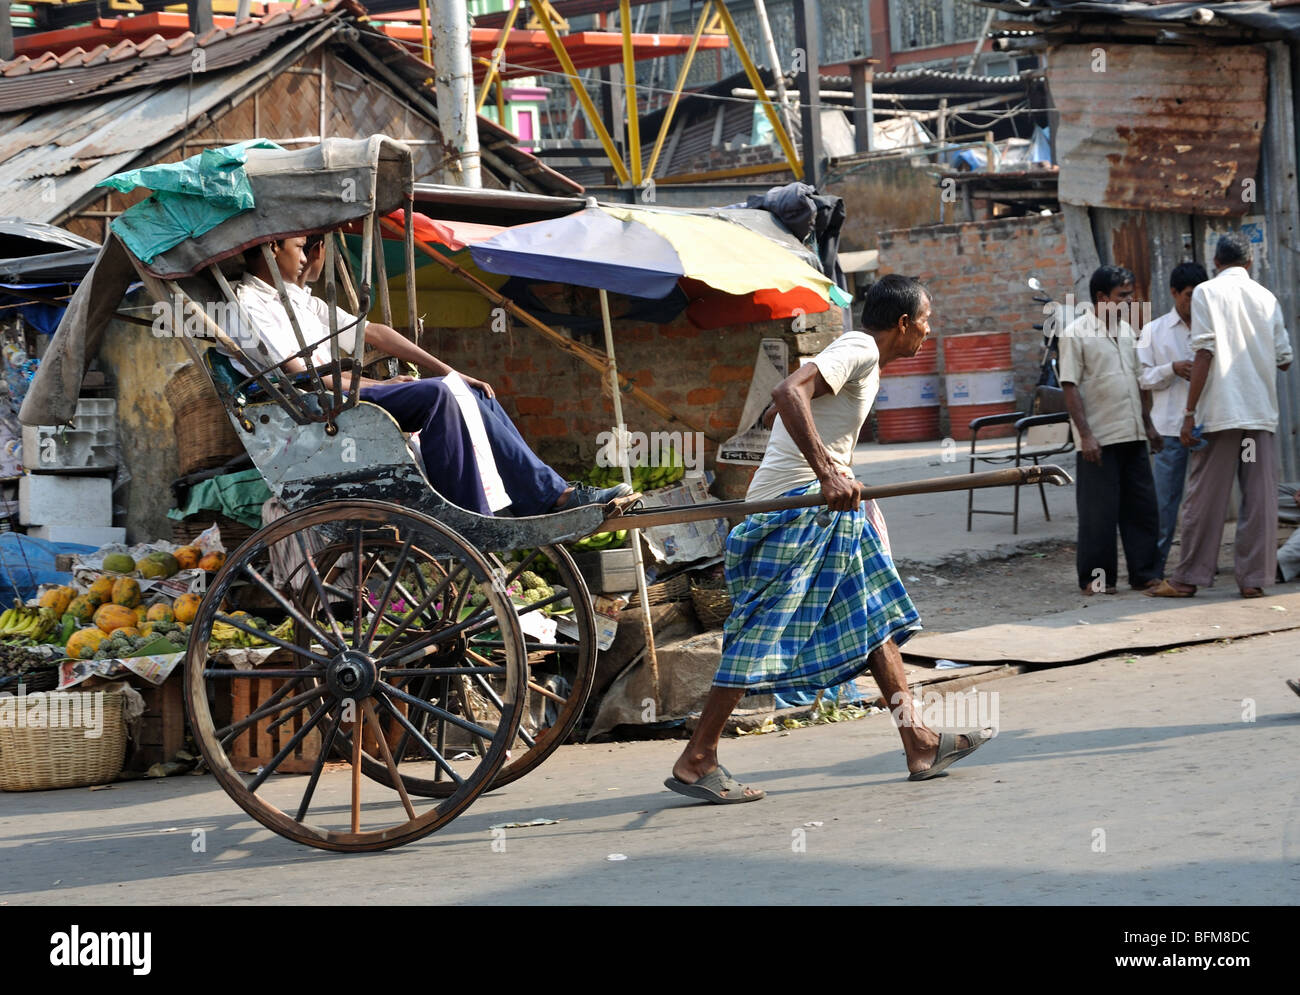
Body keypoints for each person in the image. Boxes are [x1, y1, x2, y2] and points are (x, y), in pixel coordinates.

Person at [663, 275, 993, 804]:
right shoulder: (860, 346)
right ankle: (698, 756)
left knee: (873, 619)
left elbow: (781, 412)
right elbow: (785, 393)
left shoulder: (861, 359)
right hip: (798, 510)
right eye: (926, 321)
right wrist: (827, 472)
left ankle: (919, 741)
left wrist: (829, 464)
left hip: (825, 511)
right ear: (903, 322)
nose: (928, 334)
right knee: (759, 631)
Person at [232, 235, 630, 516]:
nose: (305, 259)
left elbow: (373, 332)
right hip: (308, 408)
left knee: (458, 389)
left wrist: (450, 370)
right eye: (300, 248)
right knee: (438, 397)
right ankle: (465, 511)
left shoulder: (297, 298)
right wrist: (380, 385)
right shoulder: (249, 304)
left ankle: (551, 494)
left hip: (334, 393)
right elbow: (300, 375)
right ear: (272, 246)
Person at [1148, 234, 1295, 598]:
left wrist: (1188, 412)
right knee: (1260, 499)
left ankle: (1186, 579)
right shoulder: (1266, 297)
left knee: (1204, 498)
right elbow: (1285, 359)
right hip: (1258, 413)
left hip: (1221, 412)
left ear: (1216, 263)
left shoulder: (1206, 293)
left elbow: (1204, 353)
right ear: (1248, 264)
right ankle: (1254, 581)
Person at [1059, 264, 1163, 594]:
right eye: (1123, 295)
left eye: (1131, 295)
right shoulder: (1075, 334)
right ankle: (1096, 579)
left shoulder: (1129, 332)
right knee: (1098, 515)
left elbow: (1138, 382)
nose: (1130, 301)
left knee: (1142, 508)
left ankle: (1144, 573)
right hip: (1098, 439)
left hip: (1133, 434)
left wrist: (1149, 425)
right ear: (1102, 297)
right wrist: (1086, 435)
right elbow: (1070, 386)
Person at [1137, 262, 1209, 577]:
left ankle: (1199, 566)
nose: (1193, 303)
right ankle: (1156, 569)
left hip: (1208, 426)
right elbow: (1141, 378)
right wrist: (1171, 369)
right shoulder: (1154, 331)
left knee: (1204, 503)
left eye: (1199, 296)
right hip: (1168, 430)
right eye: (1189, 296)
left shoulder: (1212, 326)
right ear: (1174, 293)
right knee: (1165, 505)